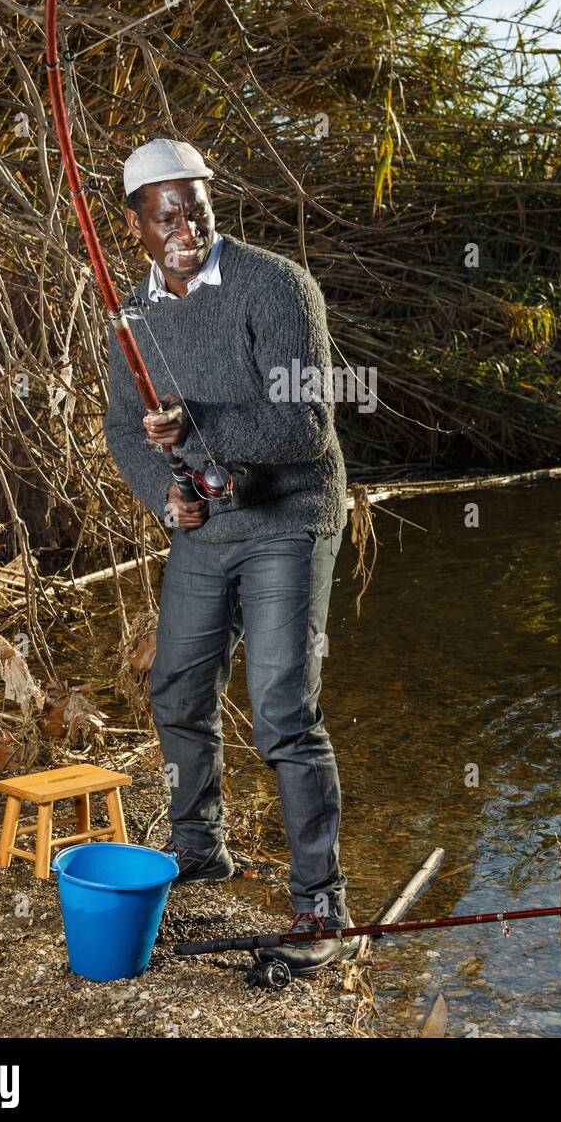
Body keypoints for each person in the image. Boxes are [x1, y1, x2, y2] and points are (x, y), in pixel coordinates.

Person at [103, 138, 352, 973]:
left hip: (290, 515)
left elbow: (303, 423)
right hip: (207, 526)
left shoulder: (274, 284)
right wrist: (164, 495)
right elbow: (122, 431)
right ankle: (199, 847)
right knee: (176, 689)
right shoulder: (131, 314)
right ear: (136, 222)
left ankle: (320, 905)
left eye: (197, 207)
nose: (186, 226)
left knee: (283, 710)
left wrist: (194, 423)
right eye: (166, 214)